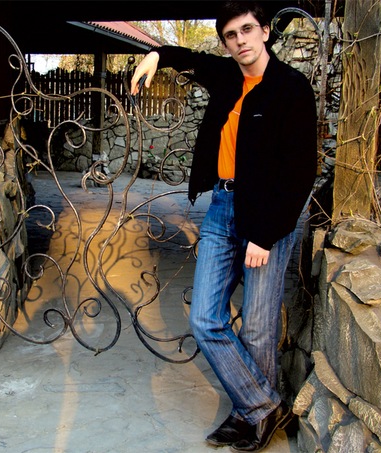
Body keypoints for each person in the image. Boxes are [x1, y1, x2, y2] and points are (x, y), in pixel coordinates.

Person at [131, 2, 317, 452]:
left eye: (247, 30)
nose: (240, 41)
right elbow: (189, 58)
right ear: (225, 42)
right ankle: (265, 407)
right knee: (205, 318)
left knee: (257, 327)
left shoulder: (291, 88)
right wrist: (156, 55)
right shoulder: (227, 75)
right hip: (222, 207)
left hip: (267, 214)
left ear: (265, 32)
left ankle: (248, 416)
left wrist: (265, 234)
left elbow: (299, 173)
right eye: (231, 35)